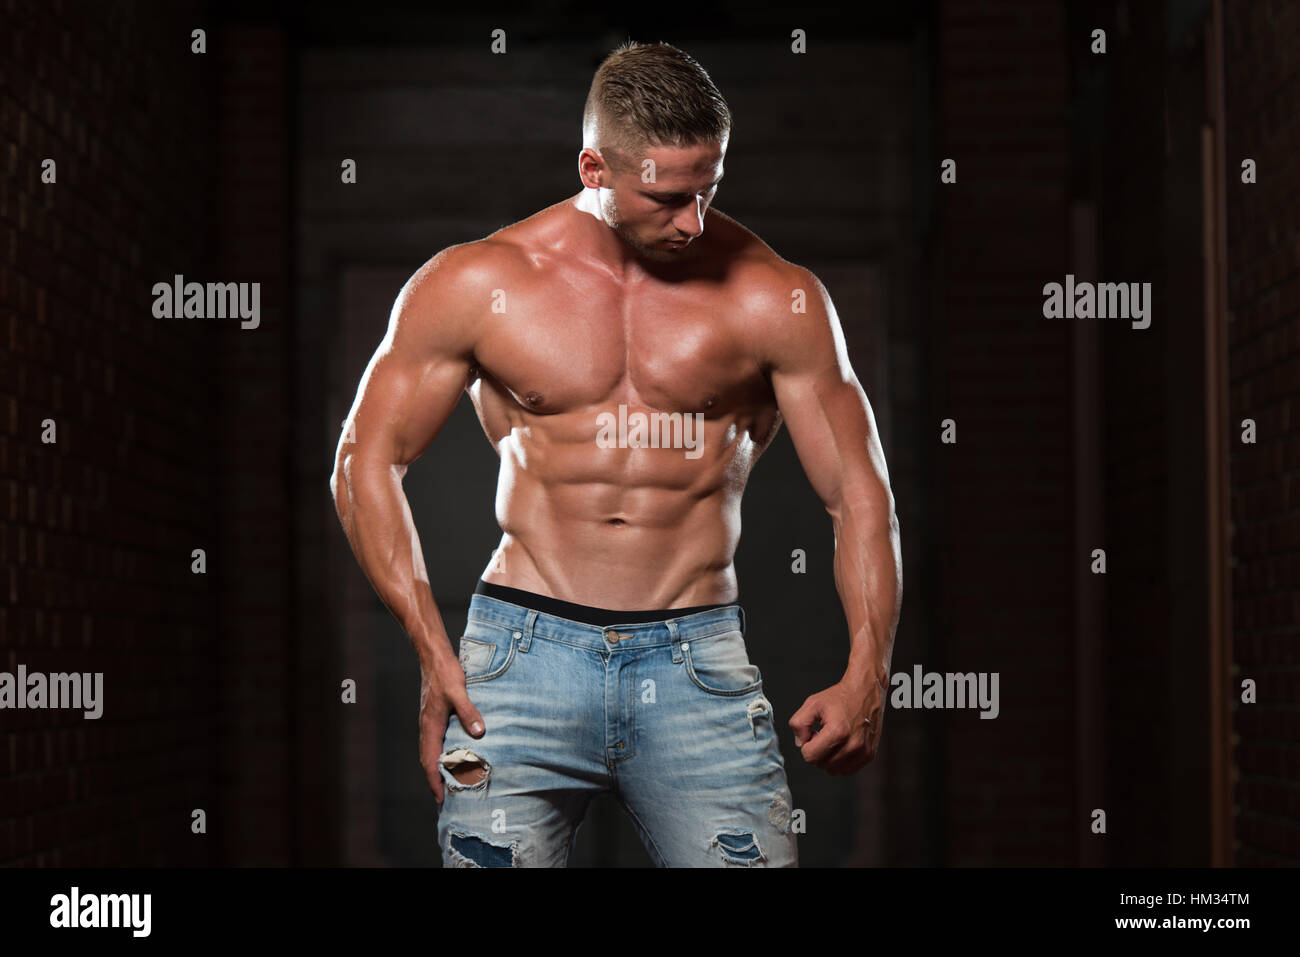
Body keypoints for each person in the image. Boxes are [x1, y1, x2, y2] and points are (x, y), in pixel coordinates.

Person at [329, 40, 902, 867]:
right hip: (518, 662)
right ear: (595, 168)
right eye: (667, 197)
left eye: (709, 191)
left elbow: (860, 493)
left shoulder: (774, 296)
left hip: (695, 661)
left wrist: (868, 668)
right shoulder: (477, 282)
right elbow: (364, 458)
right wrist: (431, 650)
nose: (693, 222)